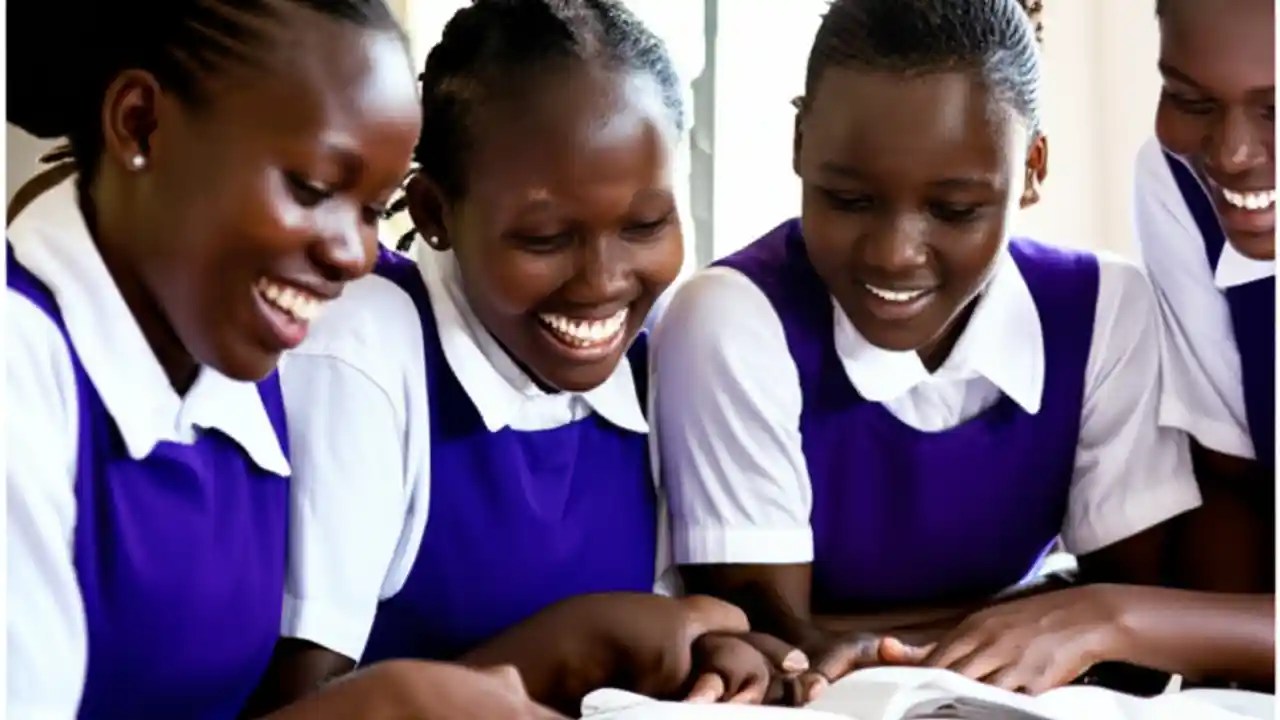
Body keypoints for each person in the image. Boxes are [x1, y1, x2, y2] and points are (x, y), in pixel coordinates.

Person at [6, 1, 566, 718]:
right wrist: (376, 707)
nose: (354, 255)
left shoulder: (235, 357)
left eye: (372, 209)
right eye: (310, 189)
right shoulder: (21, 370)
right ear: (141, 124)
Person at [258, 1, 805, 715]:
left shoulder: (659, 354)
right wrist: (574, 647)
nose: (604, 281)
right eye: (545, 237)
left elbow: (659, 637)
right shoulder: (368, 344)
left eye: (646, 224)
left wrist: (702, 659)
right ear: (432, 212)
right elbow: (299, 706)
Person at [654, 0, 1205, 698]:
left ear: (1032, 167)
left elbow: (1130, 624)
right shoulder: (733, 319)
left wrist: (1077, 621)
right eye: (849, 198)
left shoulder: (1104, 313)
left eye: (954, 210)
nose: (894, 254)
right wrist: (1036, 620)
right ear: (799, 142)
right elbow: (781, 644)